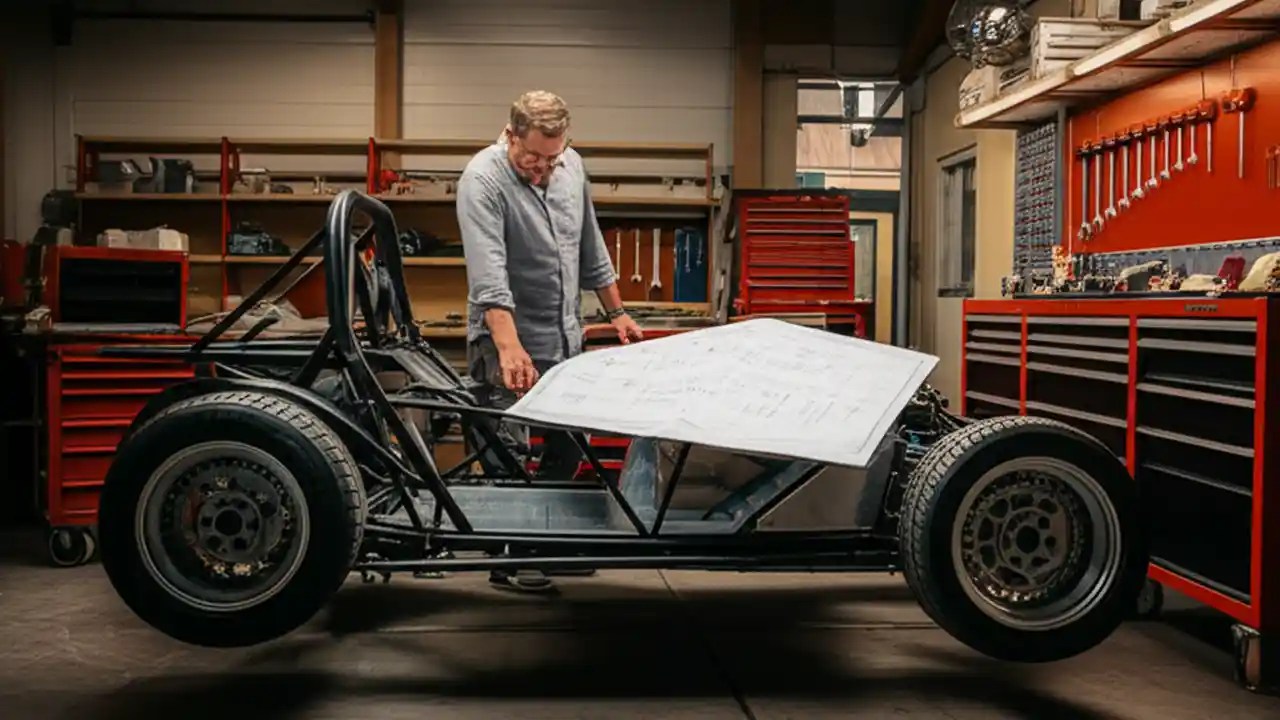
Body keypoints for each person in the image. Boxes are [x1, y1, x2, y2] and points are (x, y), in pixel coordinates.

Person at [457, 90, 644, 592]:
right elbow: (488, 275)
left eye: (551, 158)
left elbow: (591, 245)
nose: (541, 169)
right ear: (510, 133)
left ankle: (545, 544)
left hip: (564, 337)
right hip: (506, 339)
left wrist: (617, 310)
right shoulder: (482, 179)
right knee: (508, 453)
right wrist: (509, 346)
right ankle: (508, 559)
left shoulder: (571, 166)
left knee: (568, 443)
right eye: (532, 158)